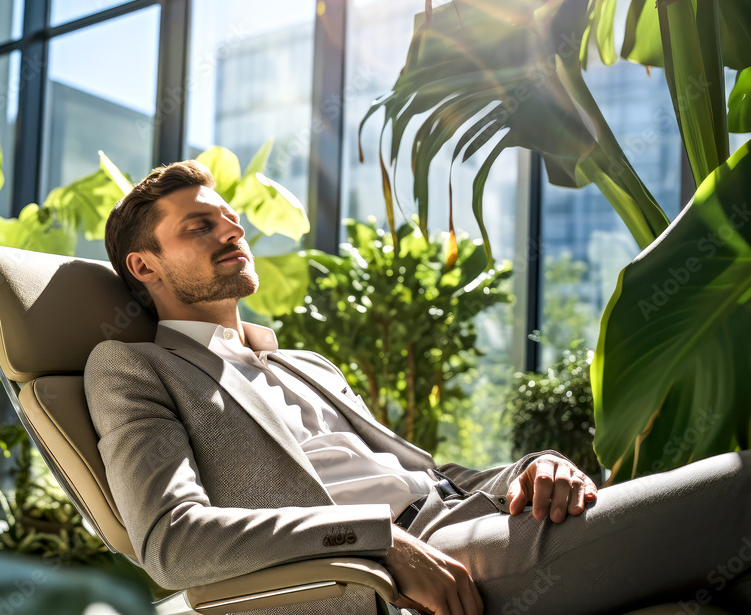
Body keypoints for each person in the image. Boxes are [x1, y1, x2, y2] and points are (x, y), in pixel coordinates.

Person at [84, 160, 751, 615]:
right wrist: (378, 540)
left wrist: (529, 467)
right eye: (200, 225)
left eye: (229, 217)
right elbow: (174, 540)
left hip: (477, 516)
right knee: (739, 490)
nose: (232, 229)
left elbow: (433, 475)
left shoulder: (304, 362)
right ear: (145, 265)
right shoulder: (137, 367)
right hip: (409, 566)